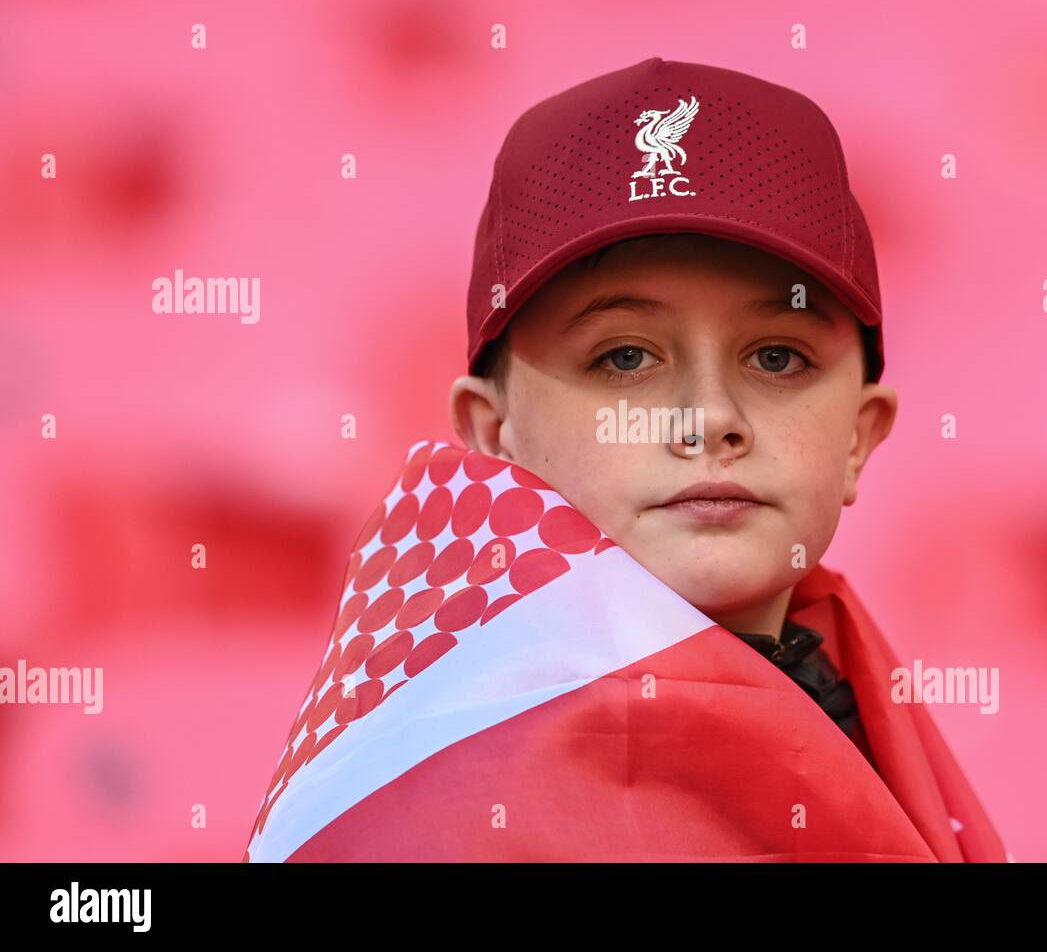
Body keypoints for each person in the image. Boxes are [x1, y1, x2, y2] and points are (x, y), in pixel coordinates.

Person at [244, 56, 1008, 863]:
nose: (710, 417)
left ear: (859, 436)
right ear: (492, 436)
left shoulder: (864, 721)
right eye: (625, 359)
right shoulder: (415, 800)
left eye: (777, 357)